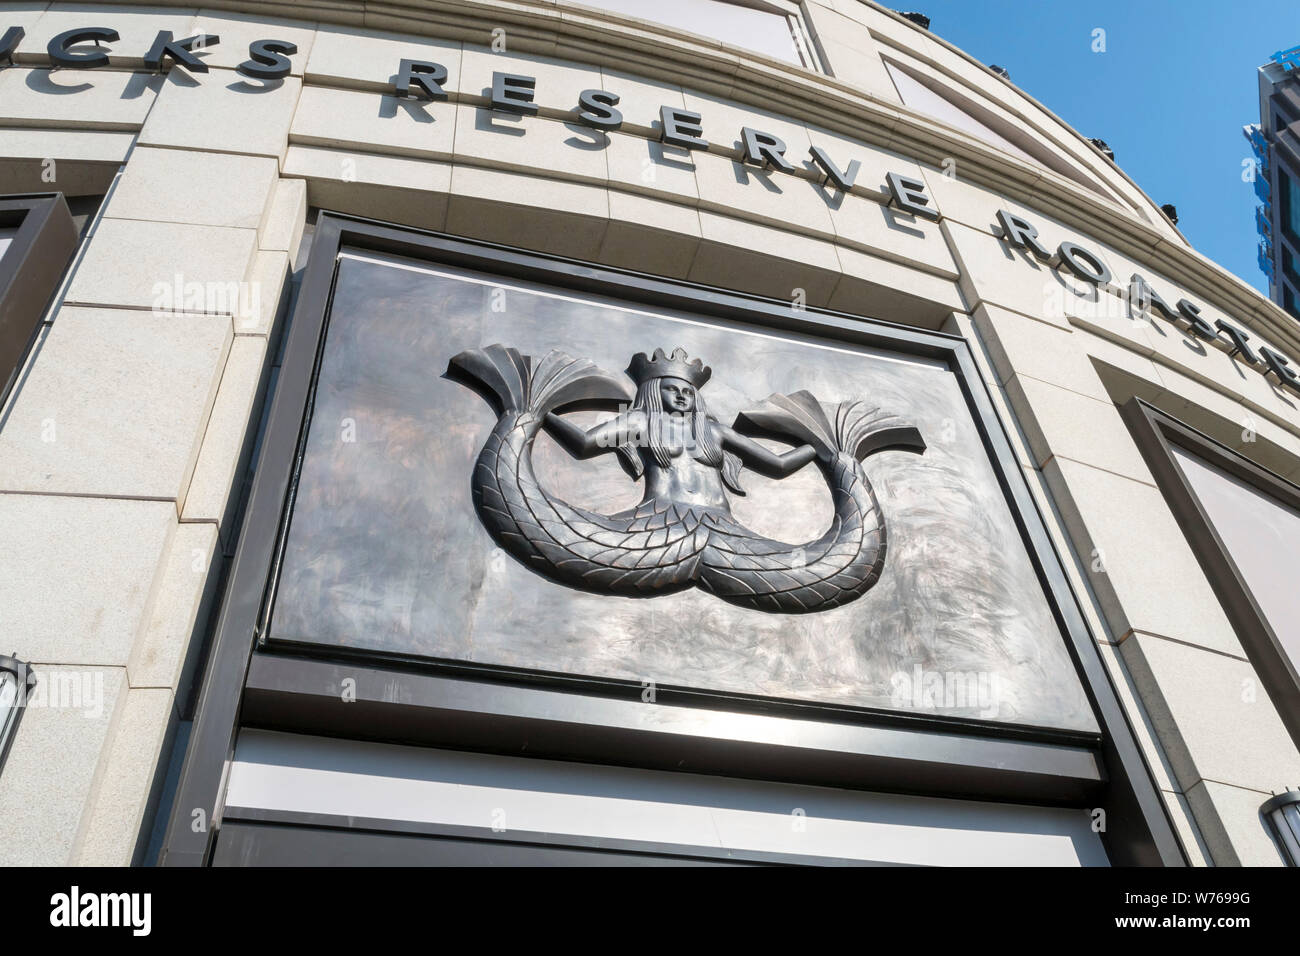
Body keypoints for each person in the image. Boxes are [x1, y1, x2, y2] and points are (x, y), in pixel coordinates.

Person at [543, 347, 822, 514]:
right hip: (660, 515)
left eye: (687, 391)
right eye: (672, 389)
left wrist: (816, 447)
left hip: (719, 520)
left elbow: (778, 465)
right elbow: (582, 444)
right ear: (654, 390)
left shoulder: (713, 431)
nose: (681, 396)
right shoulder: (639, 422)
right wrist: (543, 414)